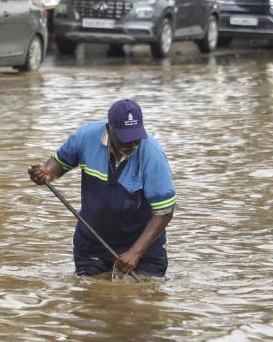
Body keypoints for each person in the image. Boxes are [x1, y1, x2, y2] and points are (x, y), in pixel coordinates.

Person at [28, 100, 176, 278]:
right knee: (93, 299)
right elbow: (59, 161)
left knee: (143, 300)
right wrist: (47, 173)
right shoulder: (86, 136)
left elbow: (164, 210)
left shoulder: (153, 155)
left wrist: (135, 253)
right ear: (108, 129)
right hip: (92, 244)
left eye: (135, 137)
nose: (131, 144)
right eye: (124, 138)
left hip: (142, 250)